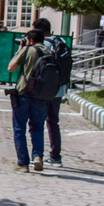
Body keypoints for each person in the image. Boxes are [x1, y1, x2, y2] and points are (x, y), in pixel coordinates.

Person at [29, 18, 70, 166]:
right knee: (53, 122)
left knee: (37, 123)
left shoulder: (41, 45)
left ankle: (37, 154)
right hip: (58, 89)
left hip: (42, 89)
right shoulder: (61, 42)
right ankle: (55, 156)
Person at [7, 29, 48, 171]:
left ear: (30, 40)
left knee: (19, 128)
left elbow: (11, 67)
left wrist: (20, 50)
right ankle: (38, 156)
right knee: (37, 127)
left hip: (24, 92)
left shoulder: (28, 50)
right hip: (42, 95)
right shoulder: (49, 51)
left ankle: (23, 163)